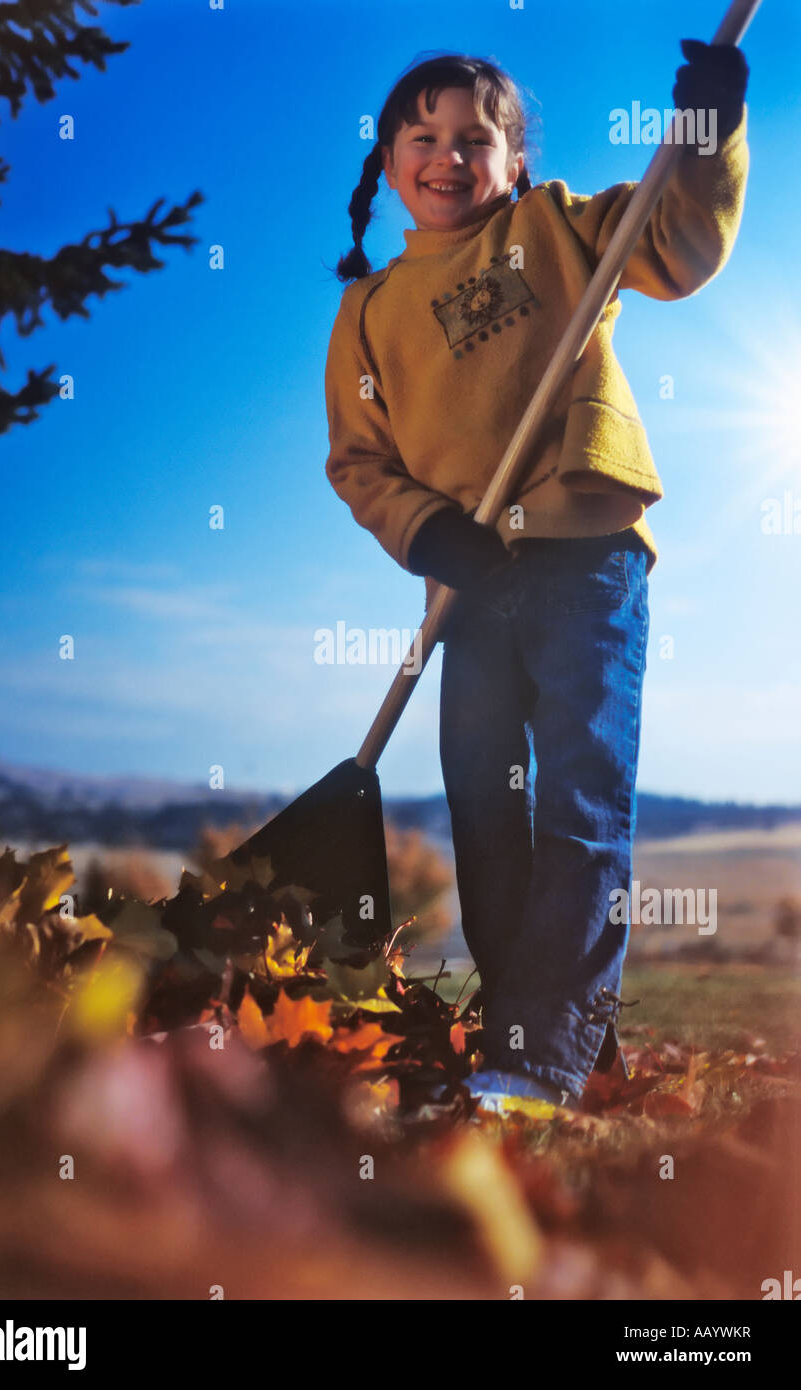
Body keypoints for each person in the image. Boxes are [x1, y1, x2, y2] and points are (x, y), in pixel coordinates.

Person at [323, 45, 749, 1111]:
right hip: (463, 587)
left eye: (476, 137)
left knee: (576, 799)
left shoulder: (558, 228)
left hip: (581, 557)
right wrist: (425, 534)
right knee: (482, 809)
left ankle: (535, 1057)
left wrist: (702, 137)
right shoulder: (369, 312)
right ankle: (533, 1037)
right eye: (421, 138)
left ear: (515, 159)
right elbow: (358, 463)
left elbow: (679, 243)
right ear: (386, 162)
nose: (447, 156)